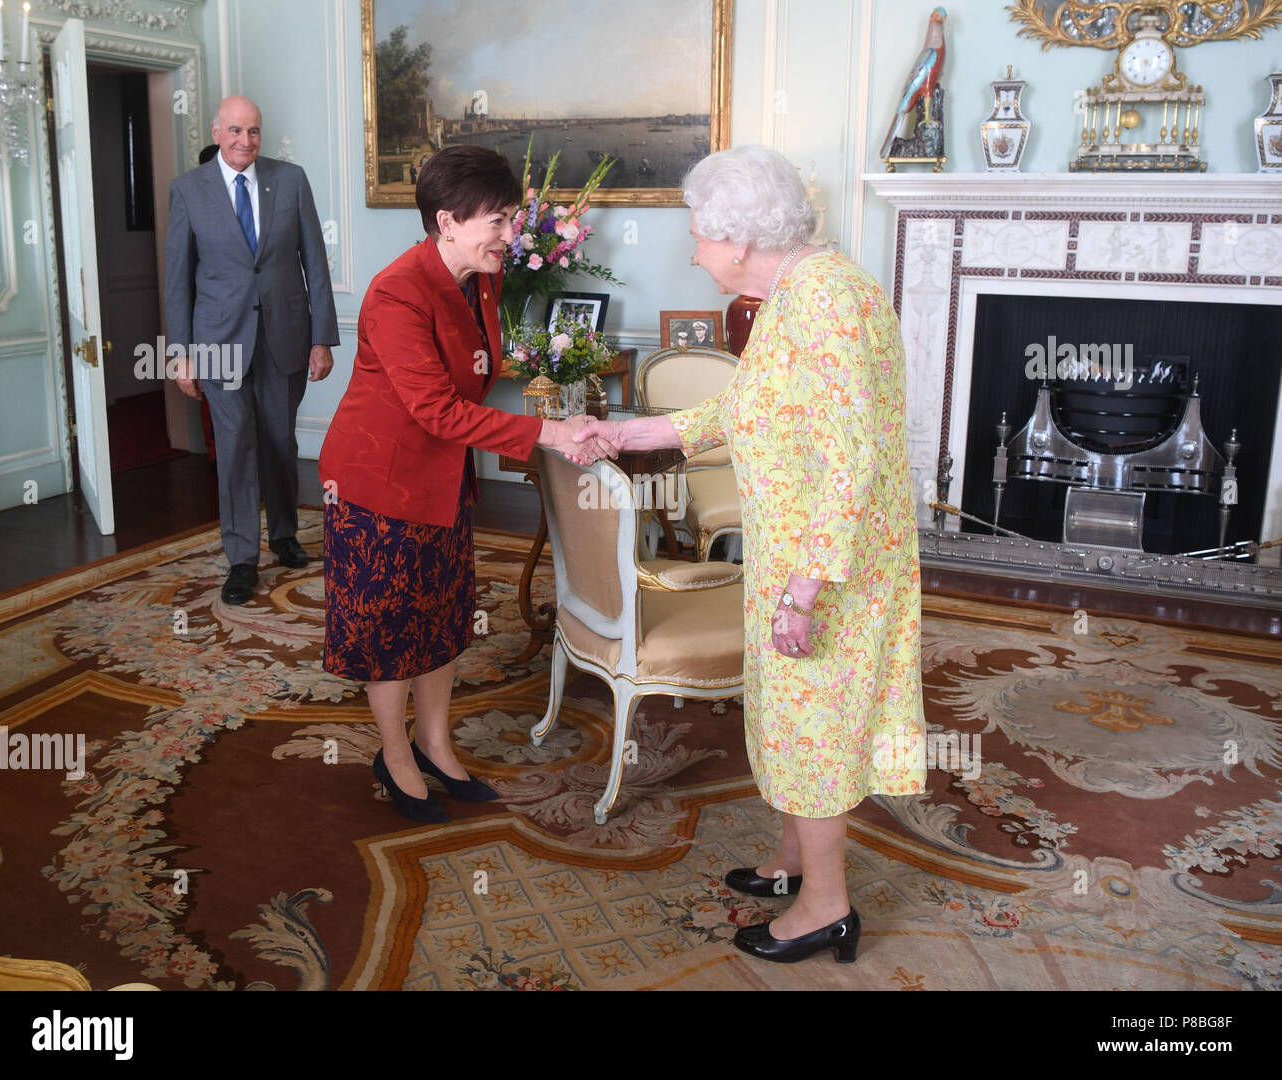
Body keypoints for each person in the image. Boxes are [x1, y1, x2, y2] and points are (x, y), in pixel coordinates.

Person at [575, 144, 926, 963]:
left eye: (699, 234)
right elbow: (736, 410)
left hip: (829, 566)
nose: (694, 251)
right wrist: (624, 434)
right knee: (791, 716)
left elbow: (854, 461)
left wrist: (804, 592)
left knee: (816, 727)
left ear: (738, 238)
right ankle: (793, 861)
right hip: (798, 555)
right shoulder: (796, 296)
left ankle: (827, 907)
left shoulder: (827, 303)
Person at [317, 146, 612, 825]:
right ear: (447, 221)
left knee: (442, 616)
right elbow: (437, 410)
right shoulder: (396, 291)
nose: (510, 236)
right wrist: (550, 435)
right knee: (391, 629)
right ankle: (394, 756)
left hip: (442, 476)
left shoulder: (479, 278)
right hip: (378, 481)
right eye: (500, 222)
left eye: (511, 221)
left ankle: (436, 746)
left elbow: (473, 374)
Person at [166, 96, 338, 605]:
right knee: (236, 444)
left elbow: (315, 262)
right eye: (236, 131)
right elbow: (177, 279)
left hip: (285, 336)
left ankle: (284, 533)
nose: (246, 141)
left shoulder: (290, 180)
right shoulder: (188, 190)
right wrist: (181, 353)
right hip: (217, 342)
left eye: (255, 132)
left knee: (280, 441)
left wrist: (322, 336)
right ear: (217, 132)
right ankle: (242, 558)